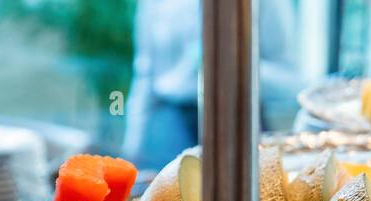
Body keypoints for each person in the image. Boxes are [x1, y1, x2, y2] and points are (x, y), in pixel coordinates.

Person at [122, 0, 304, 170]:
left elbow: (289, 81)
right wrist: (132, 148)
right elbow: (145, 75)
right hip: (171, 121)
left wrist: (236, 65)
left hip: (239, 115)